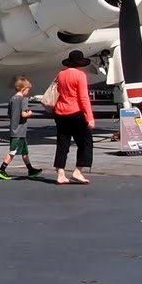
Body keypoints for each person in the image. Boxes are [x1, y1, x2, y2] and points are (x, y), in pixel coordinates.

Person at [50, 50, 95, 185]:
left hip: (60, 112)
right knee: (86, 142)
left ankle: (60, 173)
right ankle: (78, 171)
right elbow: (83, 98)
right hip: (75, 112)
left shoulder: (61, 74)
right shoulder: (80, 75)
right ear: (80, 63)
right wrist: (90, 117)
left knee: (63, 143)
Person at [0, 75, 44, 179]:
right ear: (24, 89)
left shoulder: (12, 99)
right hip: (19, 130)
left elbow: (9, 113)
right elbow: (24, 114)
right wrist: (30, 113)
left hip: (14, 128)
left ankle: (30, 169)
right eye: (28, 89)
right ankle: (2, 169)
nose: (28, 92)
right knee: (13, 151)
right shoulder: (23, 100)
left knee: (24, 151)